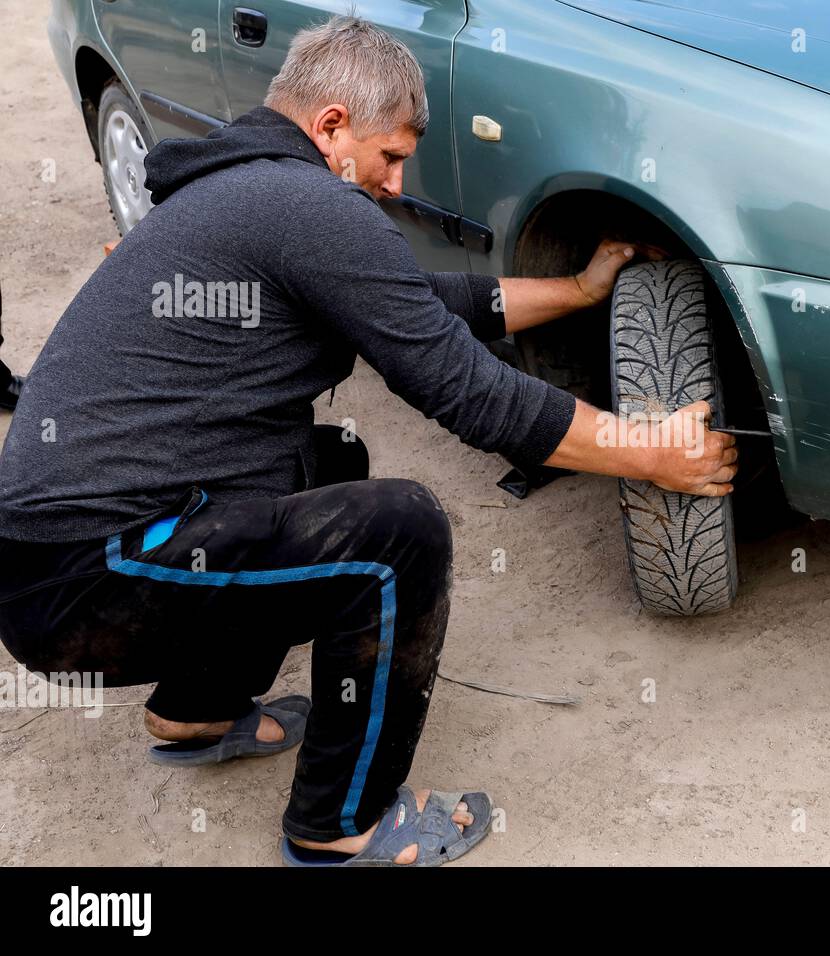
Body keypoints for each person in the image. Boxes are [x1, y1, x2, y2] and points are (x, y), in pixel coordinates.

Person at [0, 16, 736, 867]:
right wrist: (647, 451)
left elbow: (420, 302)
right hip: (92, 581)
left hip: (58, 563)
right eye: (390, 157)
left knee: (329, 465)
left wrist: (575, 289)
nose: (393, 184)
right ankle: (338, 823)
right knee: (399, 535)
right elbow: (468, 394)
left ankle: (197, 708)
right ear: (333, 126)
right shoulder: (306, 205)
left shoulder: (251, 190)